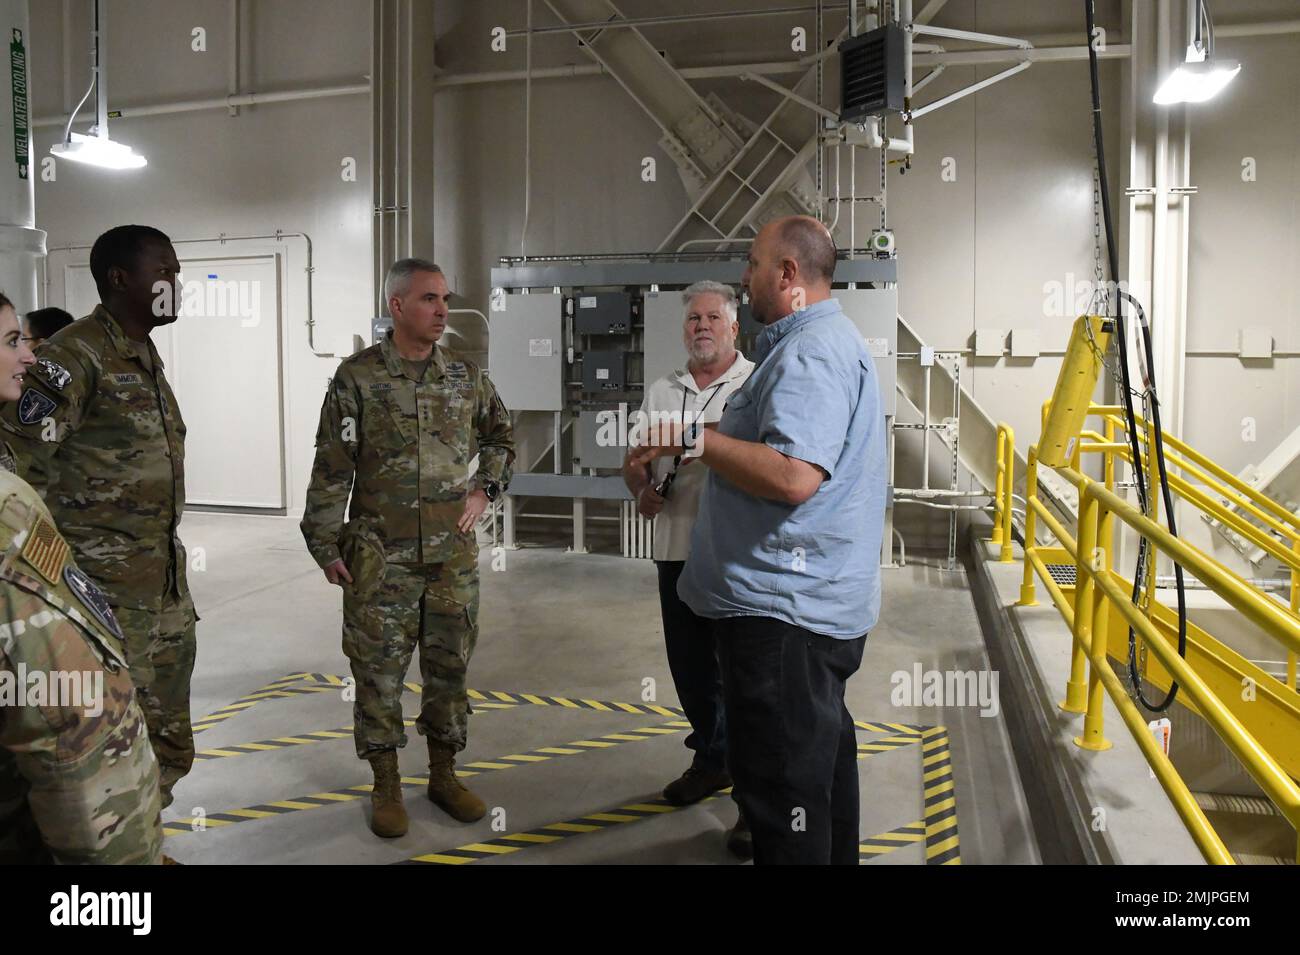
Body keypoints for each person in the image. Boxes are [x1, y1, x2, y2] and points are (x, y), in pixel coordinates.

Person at [630, 216, 887, 865]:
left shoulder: (810, 352)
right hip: (798, 616)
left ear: (788, 274)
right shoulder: (808, 344)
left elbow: (796, 475)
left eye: (752, 263)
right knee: (816, 765)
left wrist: (695, 436)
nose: (746, 277)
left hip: (784, 620)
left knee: (782, 789)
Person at [301, 258, 515, 838]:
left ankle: (443, 774)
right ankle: (386, 782)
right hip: (381, 558)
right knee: (378, 674)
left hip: (452, 557)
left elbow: (501, 435)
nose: (442, 310)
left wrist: (484, 488)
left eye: (445, 299)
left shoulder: (465, 378)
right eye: (428, 299)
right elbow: (331, 467)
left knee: (448, 670)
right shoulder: (357, 379)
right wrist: (323, 542)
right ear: (396, 306)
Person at [0, 226, 198, 813]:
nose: (175, 284)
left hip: (160, 585)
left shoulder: (140, 353)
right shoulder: (73, 357)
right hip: (103, 595)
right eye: (164, 271)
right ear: (120, 279)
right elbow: (16, 472)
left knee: (166, 735)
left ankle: (148, 839)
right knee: (107, 744)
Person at [0, 291, 163, 864]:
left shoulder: (141, 354)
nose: (27, 356)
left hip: (150, 574)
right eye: (10, 341)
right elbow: (70, 722)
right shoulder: (7, 517)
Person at [621, 281, 753, 856]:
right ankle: (711, 761)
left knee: (742, 677)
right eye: (693, 319)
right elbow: (633, 458)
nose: (701, 326)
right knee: (691, 668)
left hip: (735, 554)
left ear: (733, 329)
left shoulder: (752, 385)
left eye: (712, 318)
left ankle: (754, 798)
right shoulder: (662, 387)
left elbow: (759, 451)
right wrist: (642, 489)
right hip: (674, 546)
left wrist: (692, 438)